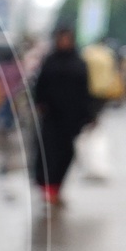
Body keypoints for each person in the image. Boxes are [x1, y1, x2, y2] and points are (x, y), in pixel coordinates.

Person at [31, 27, 92, 204]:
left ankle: (57, 187)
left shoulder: (80, 63)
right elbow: (40, 86)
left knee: (66, 154)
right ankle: (47, 187)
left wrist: (88, 115)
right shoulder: (50, 61)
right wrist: (40, 104)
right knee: (48, 153)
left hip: (71, 119)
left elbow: (85, 91)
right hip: (51, 117)